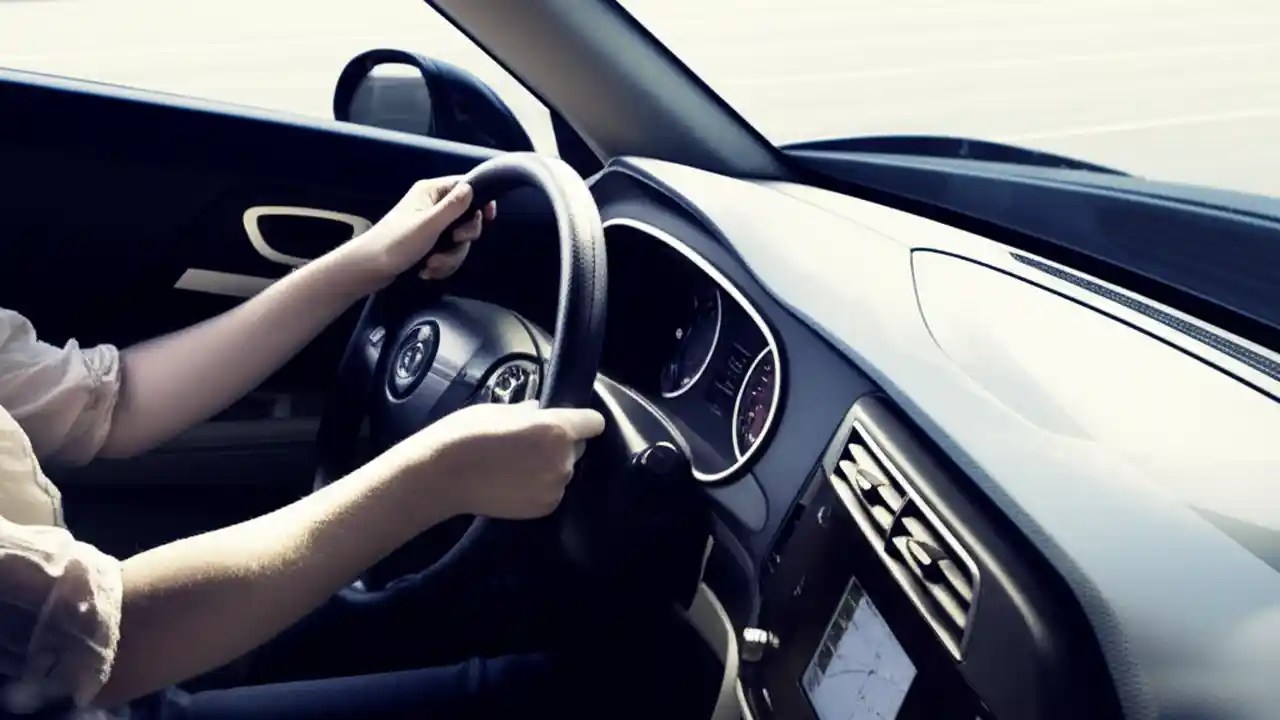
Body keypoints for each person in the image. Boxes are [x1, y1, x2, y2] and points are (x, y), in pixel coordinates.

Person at [0, 177, 613, 719]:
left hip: (91, 681)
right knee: (577, 691)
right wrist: (437, 477)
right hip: (84, 685)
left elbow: (110, 401)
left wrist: (364, 262)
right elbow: (106, 638)